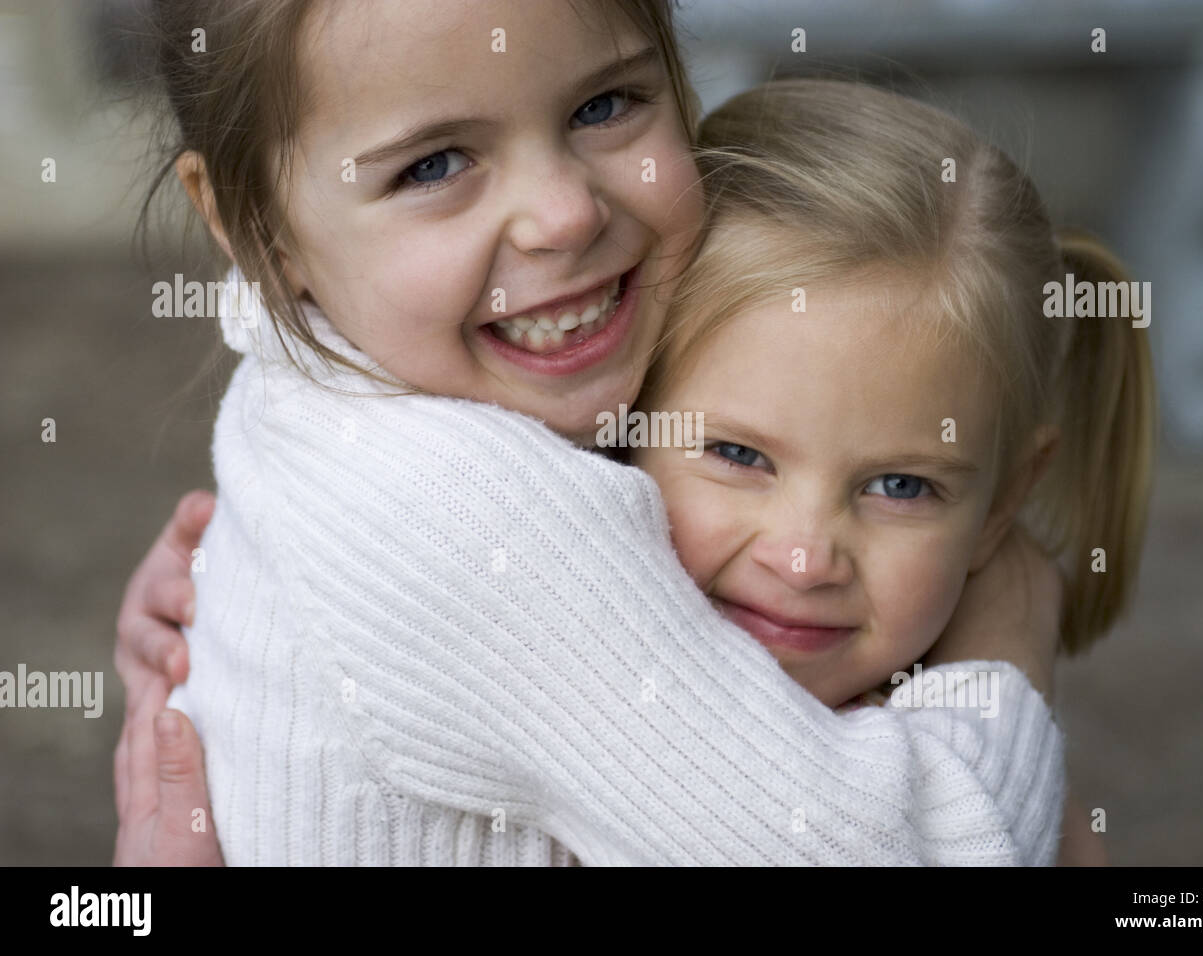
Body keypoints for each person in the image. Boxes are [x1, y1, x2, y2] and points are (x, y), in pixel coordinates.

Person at [114, 0, 1073, 866]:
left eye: (604, 106)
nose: (565, 215)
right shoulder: (475, 515)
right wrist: (1003, 656)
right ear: (252, 223)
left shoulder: (336, 384)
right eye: (435, 164)